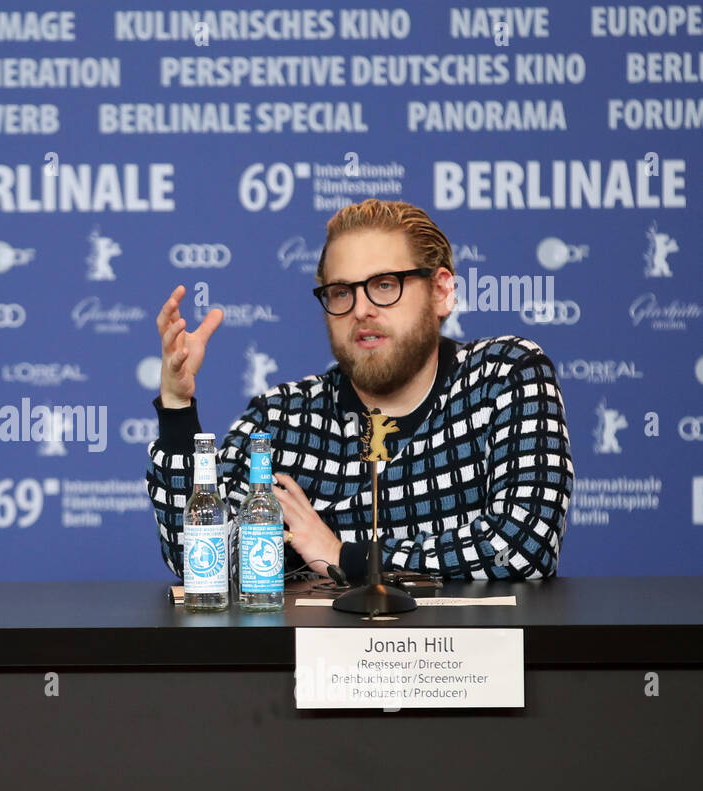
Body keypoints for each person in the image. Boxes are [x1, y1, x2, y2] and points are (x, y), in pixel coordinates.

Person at [147, 199, 574, 581]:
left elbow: (522, 547)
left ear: (442, 291)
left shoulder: (503, 376)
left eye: (385, 284)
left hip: (469, 666)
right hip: (319, 668)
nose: (362, 309)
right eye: (341, 292)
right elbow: (202, 561)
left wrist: (342, 555)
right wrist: (177, 406)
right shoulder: (282, 418)